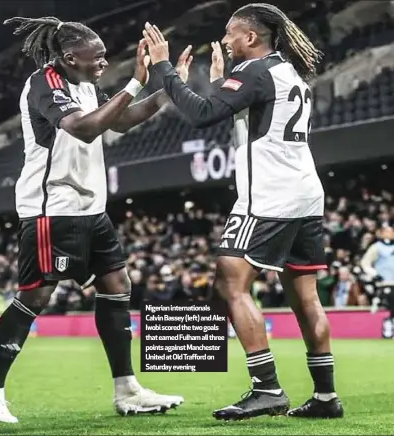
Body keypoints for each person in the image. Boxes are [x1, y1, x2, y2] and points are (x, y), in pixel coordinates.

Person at [0, 16, 193, 423]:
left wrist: (166, 91)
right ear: (70, 57)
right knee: (36, 297)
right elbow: (85, 129)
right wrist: (134, 83)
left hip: (91, 209)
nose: (104, 64)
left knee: (117, 284)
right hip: (51, 209)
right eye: (98, 58)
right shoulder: (46, 83)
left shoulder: (85, 84)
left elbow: (121, 120)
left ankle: (127, 390)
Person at [143, 2, 344, 421]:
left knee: (229, 282)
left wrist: (162, 68)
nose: (227, 41)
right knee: (304, 296)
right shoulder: (287, 73)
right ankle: (326, 398)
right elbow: (242, 114)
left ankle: (267, 389)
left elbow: (201, 115)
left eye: (231, 34)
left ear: (250, 37)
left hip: (269, 195)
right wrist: (219, 82)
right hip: (306, 194)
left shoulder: (253, 71)